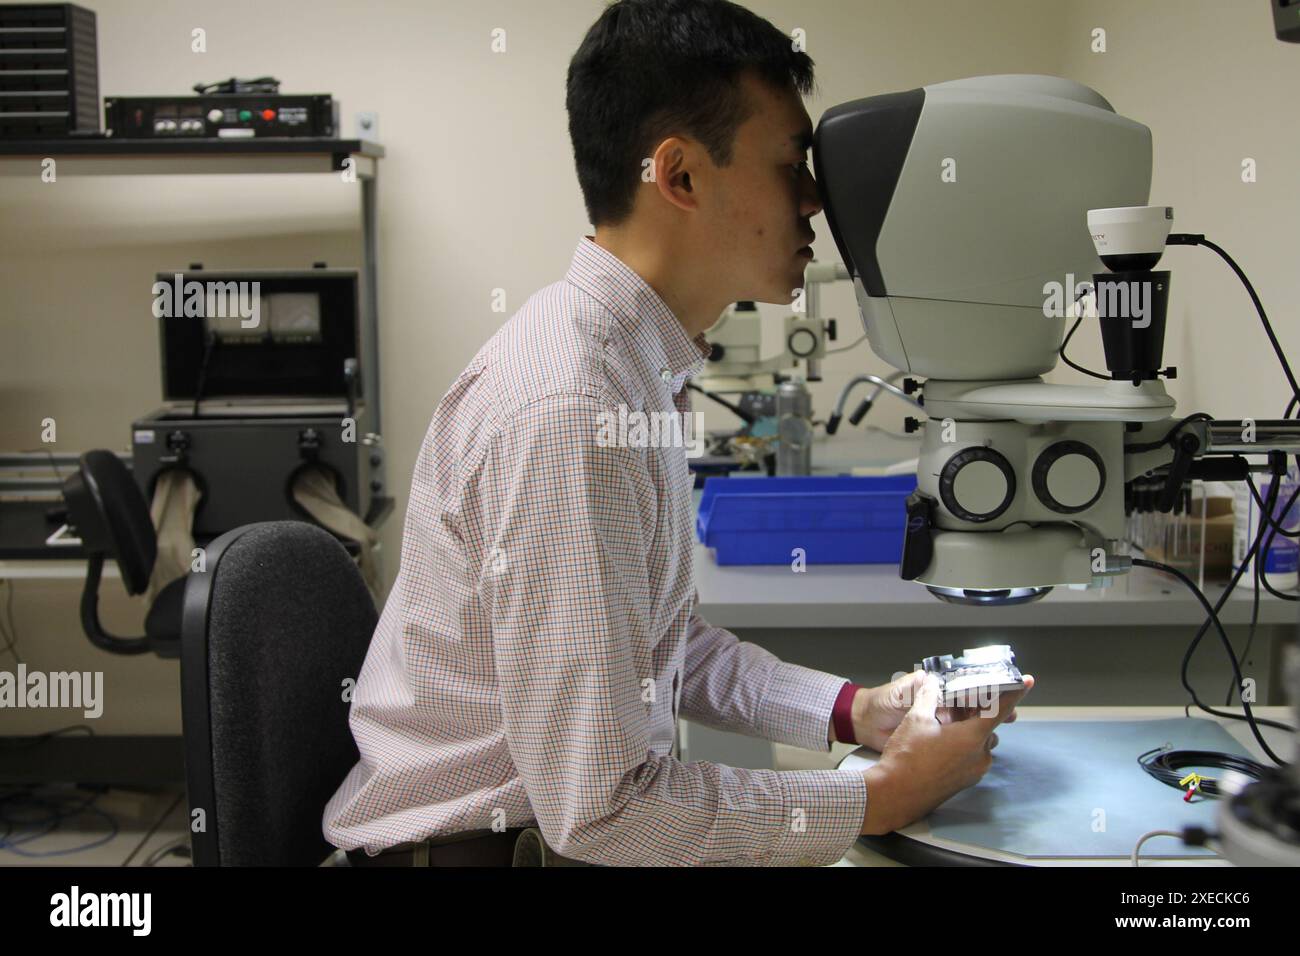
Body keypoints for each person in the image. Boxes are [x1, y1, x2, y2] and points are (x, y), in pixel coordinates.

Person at [323, 0, 1032, 867]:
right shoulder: (571, 410)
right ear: (681, 177)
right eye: (789, 164)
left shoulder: (631, 364)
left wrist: (856, 711)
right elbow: (606, 813)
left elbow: (661, 644)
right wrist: (877, 797)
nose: (814, 197)